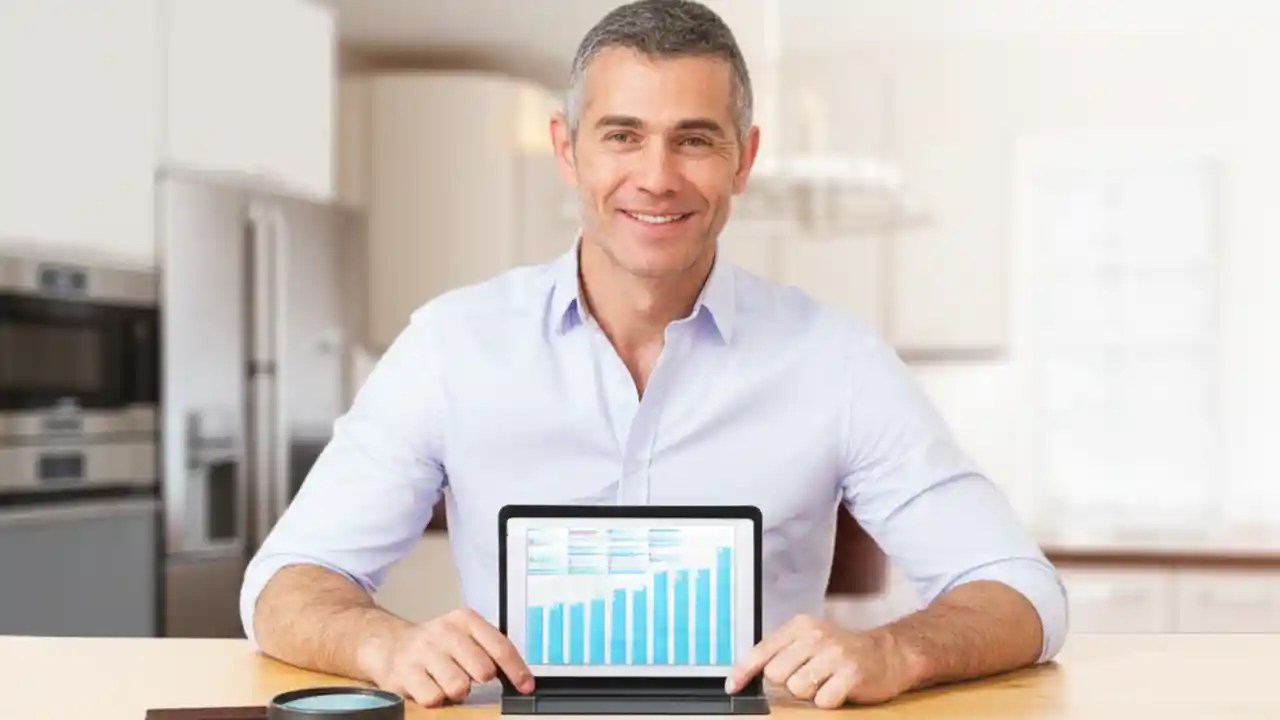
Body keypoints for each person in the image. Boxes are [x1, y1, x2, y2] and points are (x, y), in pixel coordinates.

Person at [241, 0, 1067, 709]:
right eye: (623, 135)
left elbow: (1023, 593)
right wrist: (382, 646)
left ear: (743, 158)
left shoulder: (837, 360)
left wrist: (892, 650)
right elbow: (284, 584)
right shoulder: (450, 347)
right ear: (569, 151)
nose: (657, 176)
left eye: (695, 140)